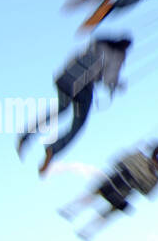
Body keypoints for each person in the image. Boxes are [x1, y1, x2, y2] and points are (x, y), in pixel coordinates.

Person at [17, 34, 133, 175]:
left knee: (60, 110)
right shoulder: (118, 55)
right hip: (83, 85)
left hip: (66, 77)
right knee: (78, 124)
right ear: (125, 47)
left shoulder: (98, 43)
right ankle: (53, 149)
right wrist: (119, 86)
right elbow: (109, 79)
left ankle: (25, 137)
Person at [58, 142, 158, 241]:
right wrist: (157, 177)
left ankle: (73, 211)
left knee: (99, 196)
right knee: (108, 206)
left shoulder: (139, 157)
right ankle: (85, 226)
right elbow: (148, 192)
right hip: (122, 190)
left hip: (117, 182)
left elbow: (119, 161)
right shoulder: (152, 177)